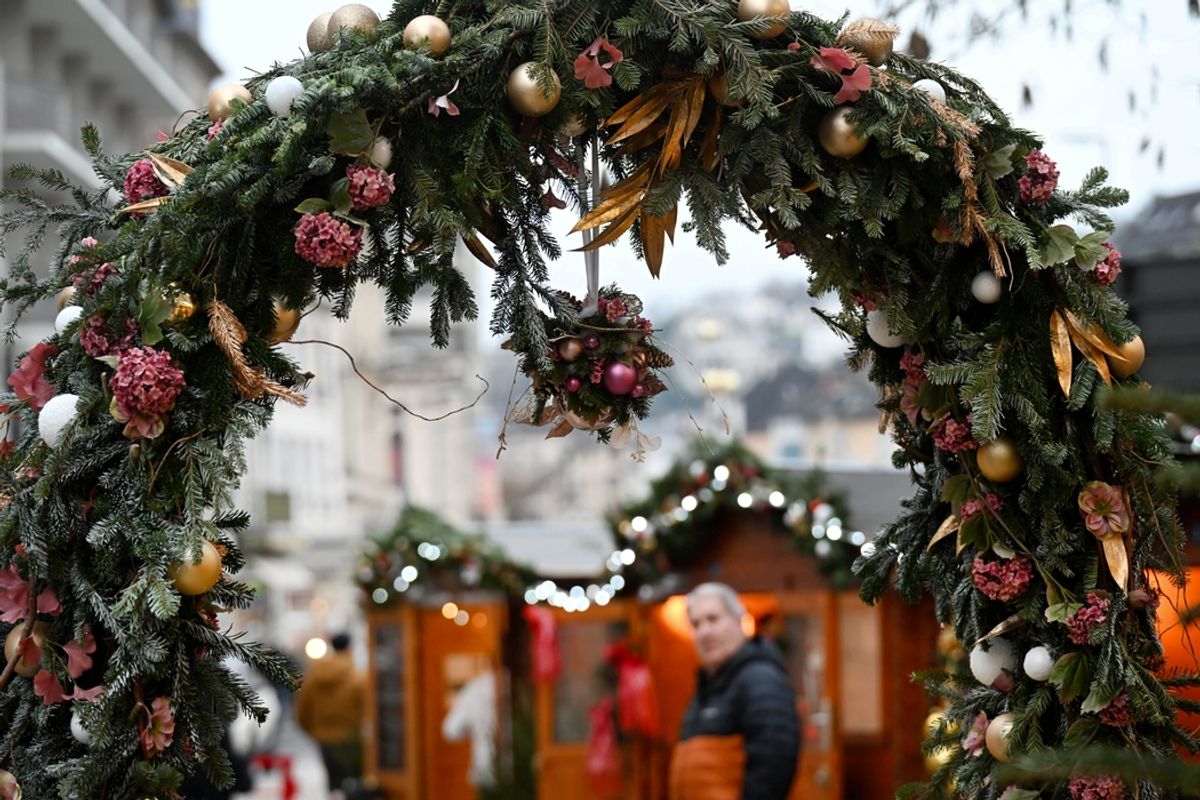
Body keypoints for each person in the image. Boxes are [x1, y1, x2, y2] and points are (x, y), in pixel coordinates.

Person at [669, 583, 800, 800]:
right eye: (696, 624)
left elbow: (772, 768)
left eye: (713, 619)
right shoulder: (708, 687)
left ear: (739, 621)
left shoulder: (760, 680)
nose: (704, 632)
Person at [296, 632, 365, 795]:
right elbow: (365, 707)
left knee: (333, 782)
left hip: (323, 737)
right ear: (350, 648)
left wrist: (313, 730)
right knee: (353, 783)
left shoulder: (315, 675)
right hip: (350, 737)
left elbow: (303, 707)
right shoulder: (356, 676)